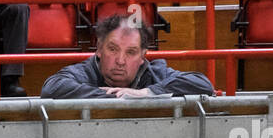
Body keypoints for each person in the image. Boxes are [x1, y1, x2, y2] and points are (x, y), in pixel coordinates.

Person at [40, 14, 215, 99]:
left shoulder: (155, 72)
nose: (120, 61)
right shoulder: (83, 72)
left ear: (142, 57)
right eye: (113, 49)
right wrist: (123, 98)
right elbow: (52, 88)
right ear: (99, 49)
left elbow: (203, 85)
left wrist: (147, 93)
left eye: (130, 52)